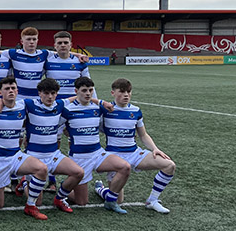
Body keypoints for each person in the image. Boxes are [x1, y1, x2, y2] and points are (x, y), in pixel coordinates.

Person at [0, 76, 50, 220]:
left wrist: (97, 101)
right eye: (6, 89)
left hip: (16, 155)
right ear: (0, 93)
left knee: (42, 169)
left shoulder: (24, 105)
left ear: (17, 91)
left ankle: (30, 206)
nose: (10, 91)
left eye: (13, 88)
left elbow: (58, 101)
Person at [100, 78, 176, 213]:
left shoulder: (136, 111)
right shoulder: (105, 110)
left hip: (134, 153)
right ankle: (101, 189)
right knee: (118, 200)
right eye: (122, 92)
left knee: (169, 165)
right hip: (114, 157)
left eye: (128, 92)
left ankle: (152, 200)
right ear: (113, 93)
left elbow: (143, 135)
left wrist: (155, 149)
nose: (126, 95)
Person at [61, 77, 130, 213]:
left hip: (98, 153)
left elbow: (111, 116)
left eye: (90, 90)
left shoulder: (98, 108)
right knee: (82, 202)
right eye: (84, 90)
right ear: (76, 91)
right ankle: (65, 188)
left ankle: (108, 198)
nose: (88, 93)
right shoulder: (67, 109)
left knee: (125, 167)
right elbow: (60, 128)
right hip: (80, 157)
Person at [24, 78, 86, 213]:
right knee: (38, 202)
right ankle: (24, 182)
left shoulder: (59, 105)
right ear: (39, 93)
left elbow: (78, 97)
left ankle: (60, 198)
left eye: (53, 93)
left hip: (53, 154)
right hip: (34, 156)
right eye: (46, 93)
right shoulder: (29, 104)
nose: (50, 96)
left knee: (78, 172)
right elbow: (10, 104)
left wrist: (99, 101)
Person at [45, 31, 92, 100]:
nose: (63, 45)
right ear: (55, 45)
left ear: (71, 45)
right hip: (54, 102)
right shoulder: (47, 61)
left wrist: (94, 101)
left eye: (66, 43)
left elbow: (89, 85)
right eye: (59, 43)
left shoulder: (80, 62)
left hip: (74, 102)